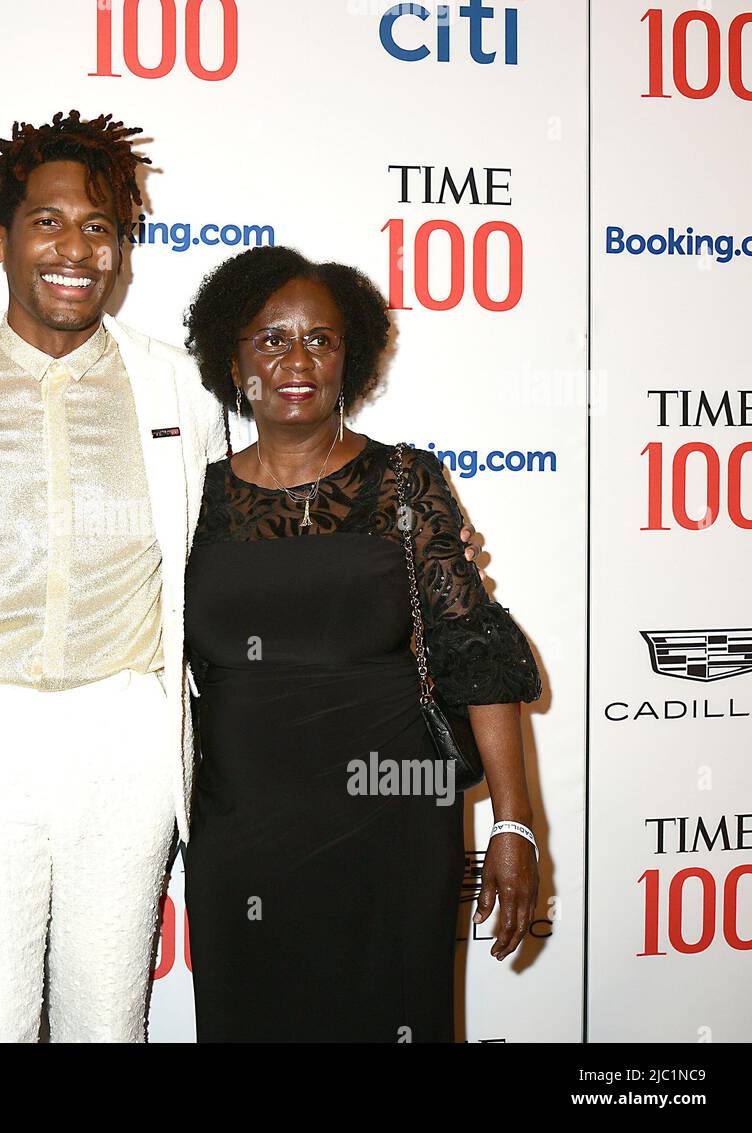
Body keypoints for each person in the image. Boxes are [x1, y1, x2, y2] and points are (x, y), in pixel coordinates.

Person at [0, 112, 482, 1042]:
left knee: (110, 1023)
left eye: (102, 228)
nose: (76, 249)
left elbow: (287, 500)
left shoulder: (187, 389)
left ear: (123, 248)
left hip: (129, 735)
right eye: (47, 222)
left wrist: (432, 546)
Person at [181, 245, 541, 1042]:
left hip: (392, 815)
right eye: (271, 339)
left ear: (353, 357)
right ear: (231, 359)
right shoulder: (191, 495)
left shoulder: (405, 481)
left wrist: (514, 823)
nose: (297, 359)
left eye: (322, 338)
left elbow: (471, 651)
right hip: (240, 826)